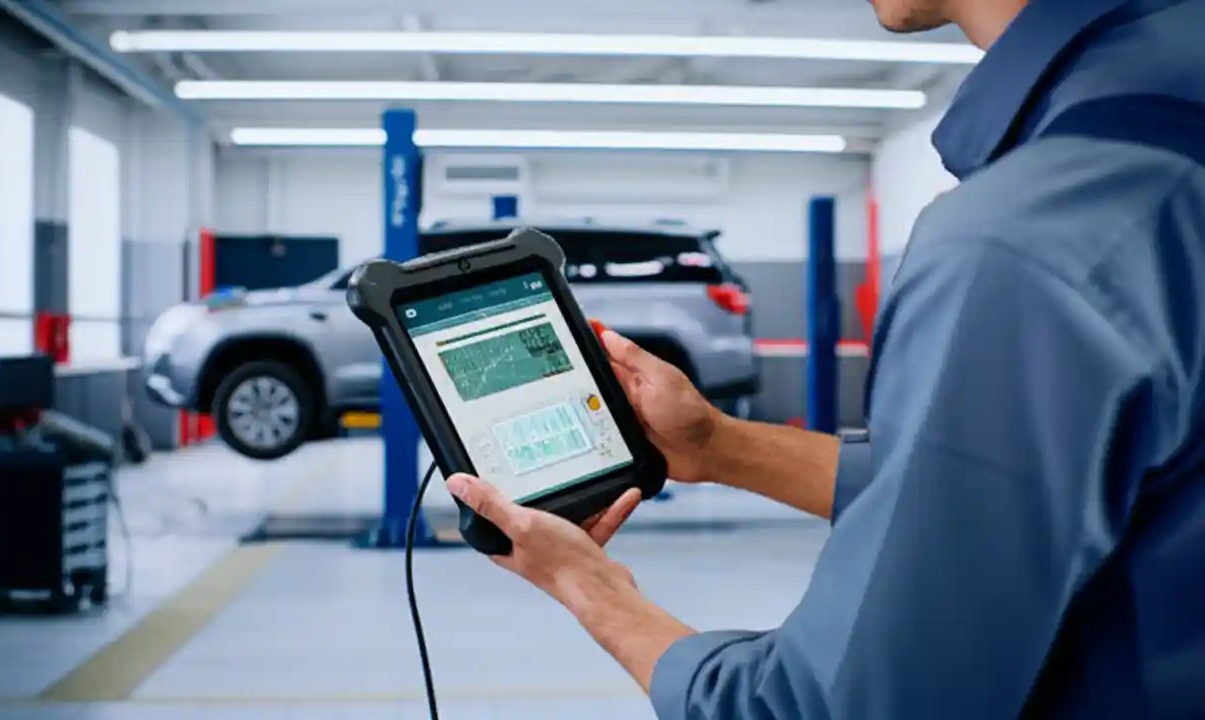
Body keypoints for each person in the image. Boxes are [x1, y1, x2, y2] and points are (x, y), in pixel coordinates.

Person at [445, 0, 1205, 716]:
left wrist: (589, 585)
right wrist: (719, 445)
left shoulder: (1026, 235)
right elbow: (1029, 482)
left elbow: (838, 708)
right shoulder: (1166, 119)